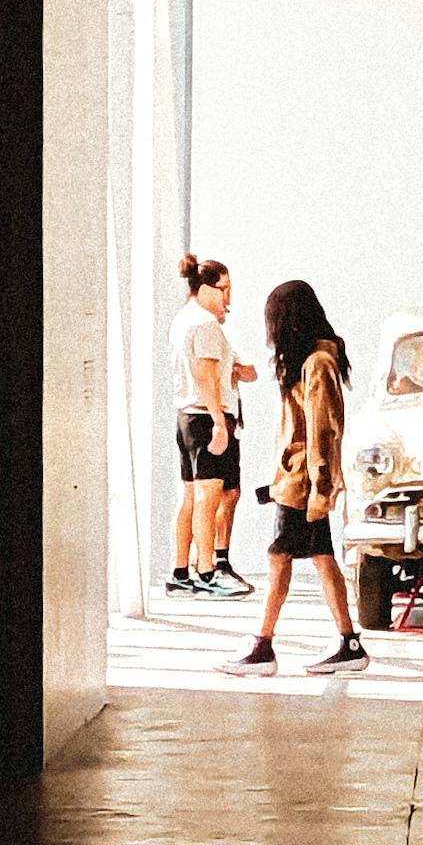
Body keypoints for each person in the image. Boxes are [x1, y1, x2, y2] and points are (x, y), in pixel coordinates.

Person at [228, 277, 366, 675]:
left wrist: (321, 489)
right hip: (297, 480)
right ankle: (348, 642)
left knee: (278, 558)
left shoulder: (317, 364)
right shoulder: (313, 360)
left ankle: (263, 646)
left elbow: (324, 429)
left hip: (303, 484)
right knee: (322, 560)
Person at [166, 254, 255, 597]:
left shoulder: (183, 319)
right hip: (205, 416)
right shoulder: (204, 324)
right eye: (223, 289)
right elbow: (205, 376)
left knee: (190, 496)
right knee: (208, 497)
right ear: (204, 288)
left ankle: (180, 569)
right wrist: (220, 422)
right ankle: (206, 572)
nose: (227, 298)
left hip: (187, 416)